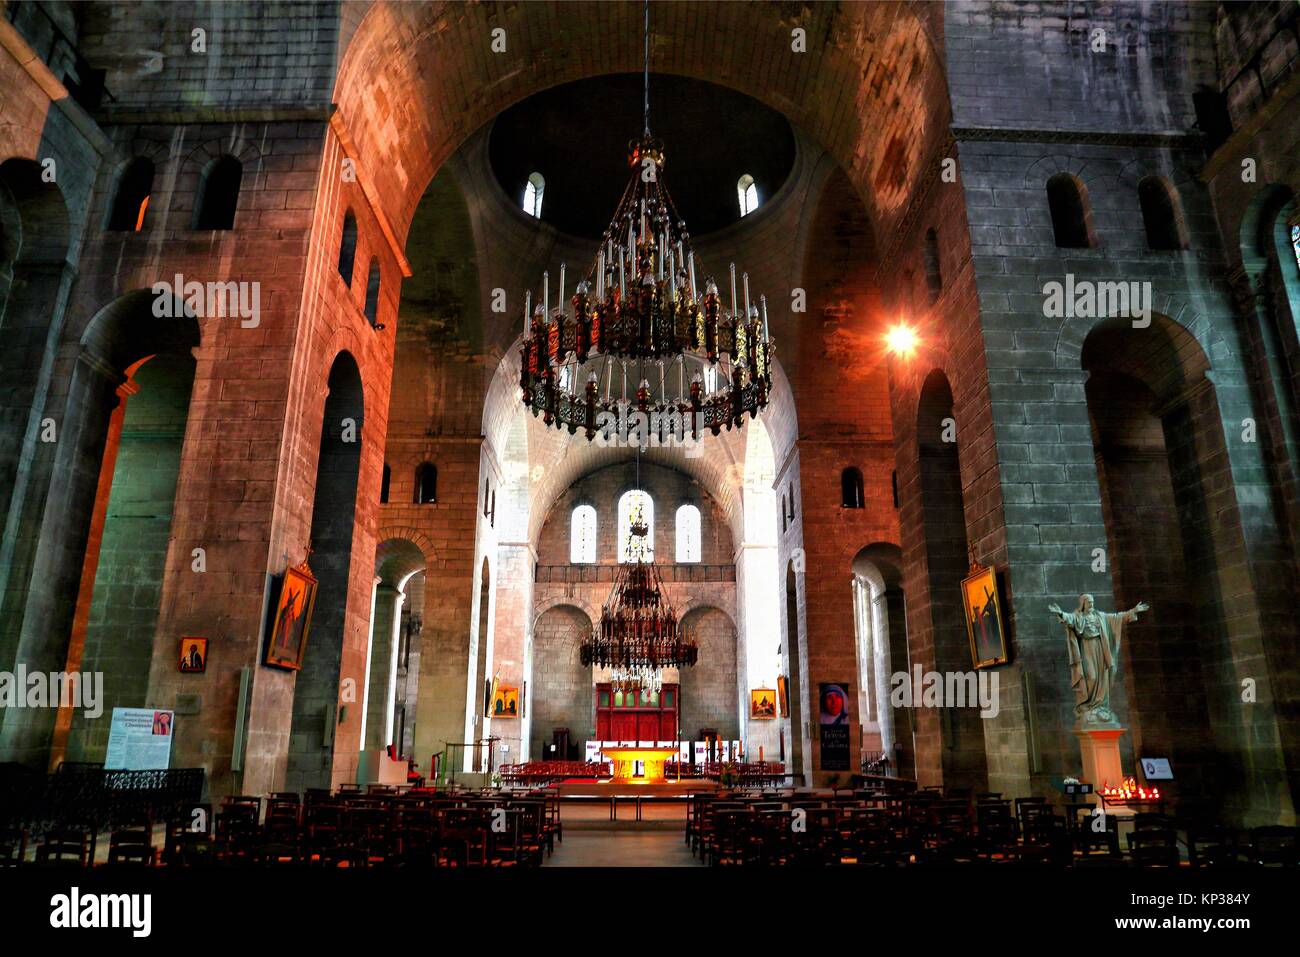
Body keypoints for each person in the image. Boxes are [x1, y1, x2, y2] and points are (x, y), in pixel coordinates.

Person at [1049, 593, 1148, 723]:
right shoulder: (1078, 616)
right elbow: (1070, 619)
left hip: (1100, 648)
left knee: (1102, 677)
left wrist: (1133, 611)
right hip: (1086, 648)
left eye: (1092, 602)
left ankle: (1100, 706)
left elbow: (1118, 617)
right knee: (1091, 676)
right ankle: (1089, 705)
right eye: (1089, 602)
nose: (1091, 604)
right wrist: (1061, 613)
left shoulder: (1100, 616)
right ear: (1083, 603)